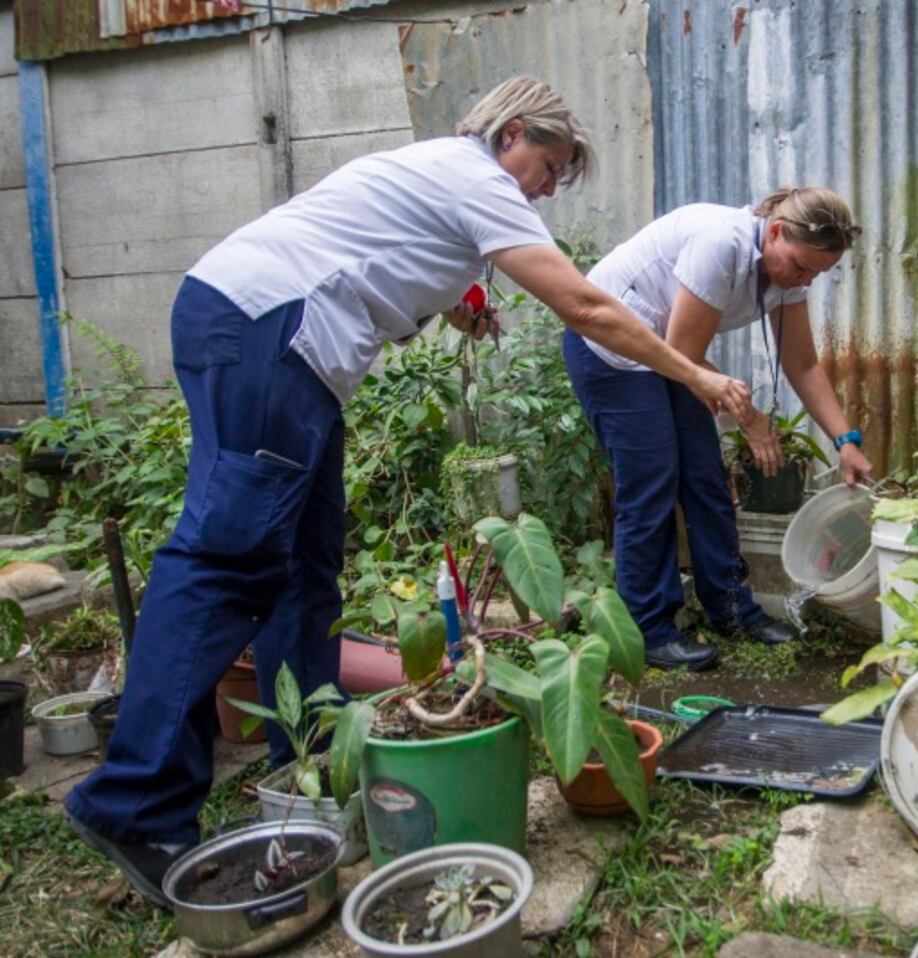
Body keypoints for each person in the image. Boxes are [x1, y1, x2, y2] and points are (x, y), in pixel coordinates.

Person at [63, 76, 750, 907]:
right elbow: (584, 305)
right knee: (227, 560)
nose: (547, 188)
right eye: (550, 166)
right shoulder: (481, 180)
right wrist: (696, 376)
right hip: (269, 333)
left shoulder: (441, 177)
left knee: (303, 568)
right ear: (514, 135)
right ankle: (136, 804)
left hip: (272, 337)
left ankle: (308, 765)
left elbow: (386, 248)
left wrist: (459, 303)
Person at [563, 187, 873, 671]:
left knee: (705, 477)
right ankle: (649, 629)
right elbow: (683, 355)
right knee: (651, 480)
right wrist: (750, 421)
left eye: (817, 272)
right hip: (611, 348)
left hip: (665, 351)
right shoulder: (721, 244)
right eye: (799, 266)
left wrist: (845, 441)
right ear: (774, 232)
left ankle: (732, 609)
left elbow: (803, 362)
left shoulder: (788, 269)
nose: (804, 278)